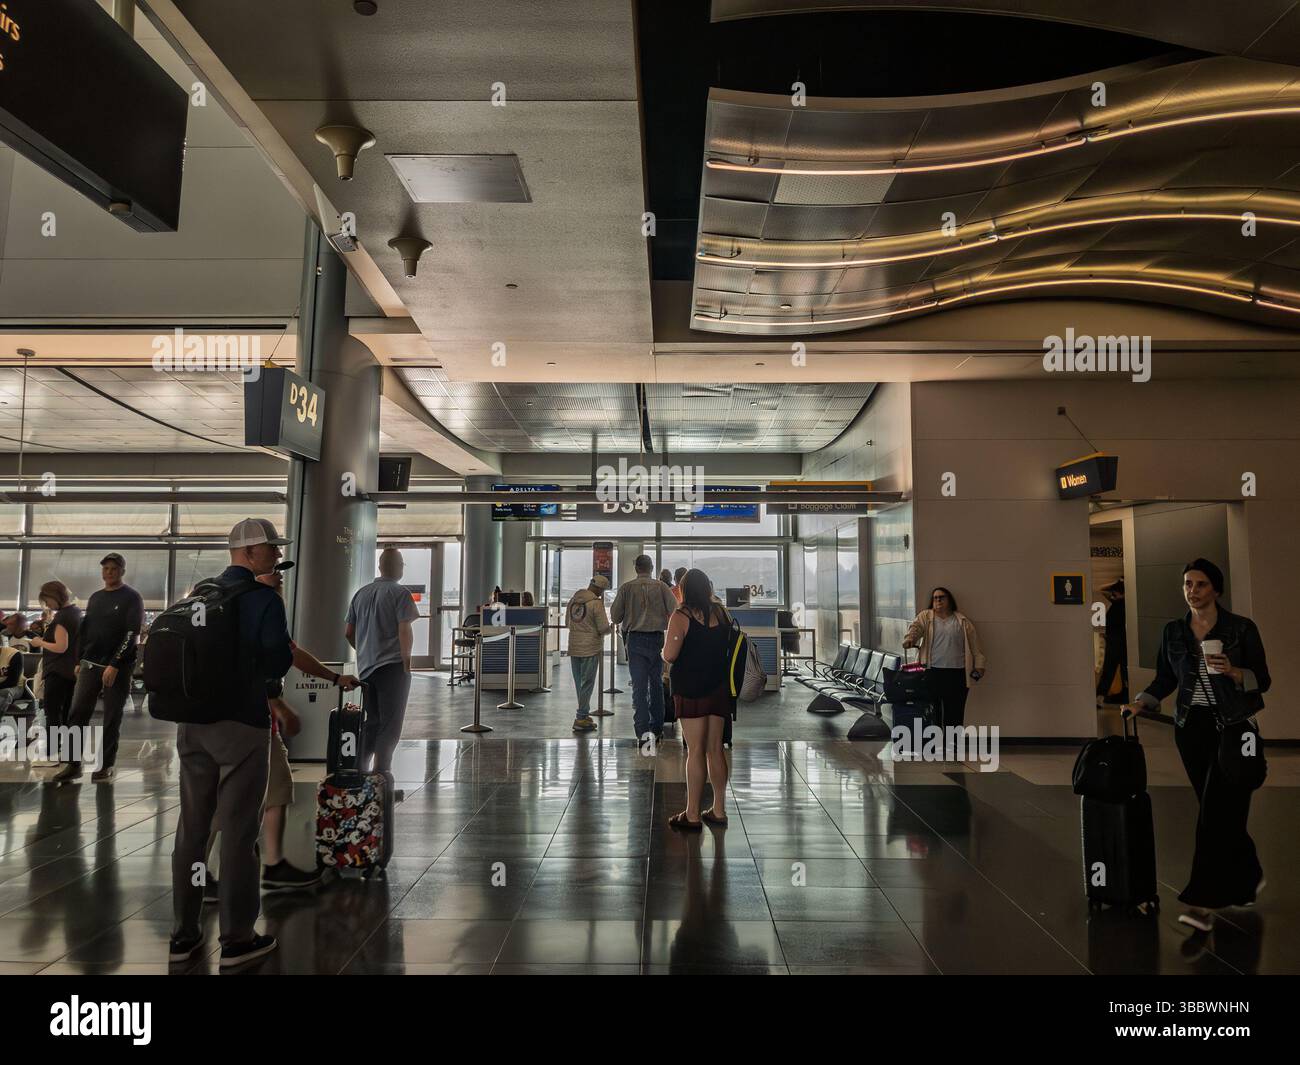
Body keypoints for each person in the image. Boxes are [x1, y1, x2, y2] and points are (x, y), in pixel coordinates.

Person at [168, 518, 294, 969]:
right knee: (240, 832)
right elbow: (278, 659)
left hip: (191, 726)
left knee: (193, 830)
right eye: (272, 549)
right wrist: (274, 599)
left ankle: (183, 935)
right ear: (250, 553)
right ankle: (238, 939)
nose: (277, 556)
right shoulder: (262, 599)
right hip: (241, 726)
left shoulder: (201, 592)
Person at [1127, 558, 1270, 932]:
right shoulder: (1173, 631)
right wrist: (1142, 701)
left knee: (1214, 814)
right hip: (1192, 729)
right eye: (1188, 584)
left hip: (1236, 727)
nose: (1192, 590)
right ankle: (1248, 874)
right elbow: (1164, 677)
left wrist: (1235, 673)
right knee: (1218, 811)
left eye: (1201, 584)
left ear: (1216, 590)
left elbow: (1263, 679)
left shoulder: (1241, 628)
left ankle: (1202, 901)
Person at [51, 553, 144, 784]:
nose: (109, 572)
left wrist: (115, 663)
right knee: (77, 713)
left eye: (114, 569)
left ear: (122, 571)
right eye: (106, 569)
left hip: (117, 668)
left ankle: (105, 764)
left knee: (112, 716)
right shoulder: (95, 598)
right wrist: (78, 660)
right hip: (90, 664)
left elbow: (132, 633)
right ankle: (73, 764)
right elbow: (86, 630)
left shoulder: (132, 597)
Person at [663, 569, 732, 829]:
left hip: (690, 689)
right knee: (715, 750)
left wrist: (664, 652)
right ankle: (718, 809)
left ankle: (692, 814)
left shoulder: (682, 616)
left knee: (695, 751)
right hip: (718, 688)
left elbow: (670, 655)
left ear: (684, 590)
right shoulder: (722, 613)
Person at [345, 547, 419, 775]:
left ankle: (361, 773)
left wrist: (365, 651)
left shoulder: (361, 594)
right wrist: (407, 664)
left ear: (379, 566)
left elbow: (349, 632)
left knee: (372, 722)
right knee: (390, 725)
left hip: (367, 669)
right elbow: (404, 629)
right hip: (392, 668)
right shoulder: (400, 593)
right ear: (398, 566)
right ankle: (381, 777)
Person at [611, 554, 679, 742]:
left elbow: (615, 616)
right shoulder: (662, 587)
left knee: (639, 687)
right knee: (656, 684)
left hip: (635, 640)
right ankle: (657, 729)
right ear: (651, 567)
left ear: (636, 568)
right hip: (657, 639)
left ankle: (642, 732)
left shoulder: (626, 588)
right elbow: (676, 611)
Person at [902, 587, 986, 730]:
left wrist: (979, 666)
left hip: (957, 674)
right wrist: (910, 639)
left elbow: (975, 647)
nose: (938, 600)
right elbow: (915, 629)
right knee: (933, 711)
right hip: (932, 672)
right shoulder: (926, 617)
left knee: (955, 712)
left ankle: (952, 745)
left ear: (949, 600)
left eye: (942, 597)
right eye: (935, 598)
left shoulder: (962, 621)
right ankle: (935, 745)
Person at [28, 582, 81, 732]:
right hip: (70, 670)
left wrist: (40, 642)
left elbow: (60, 646)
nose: (47, 605)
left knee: (52, 712)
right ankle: (65, 748)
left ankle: (52, 748)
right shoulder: (75, 612)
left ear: (54, 596)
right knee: (66, 711)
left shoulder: (62, 617)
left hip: (57, 670)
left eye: (47, 601)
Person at [566, 575, 611, 732]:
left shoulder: (573, 600)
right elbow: (603, 627)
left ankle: (583, 714)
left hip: (574, 646)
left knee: (580, 683)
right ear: (599, 589)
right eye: (603, 590)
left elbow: (567, 623)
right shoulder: (596, 604)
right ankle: (581, 717)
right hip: (590, 648)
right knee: (588, 683)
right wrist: (610, 629)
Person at [1096, 578, 1129, 706]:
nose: (1113, 595)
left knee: (1120, 670)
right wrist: (1116, 583)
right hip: (1114, 641)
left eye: (1116, 593)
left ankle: (1124, 695)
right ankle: (1102, 696)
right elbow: (1102, 589)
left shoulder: (1126, 603)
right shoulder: (1117, 602)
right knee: (1111, 670)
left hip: (1121, 642)